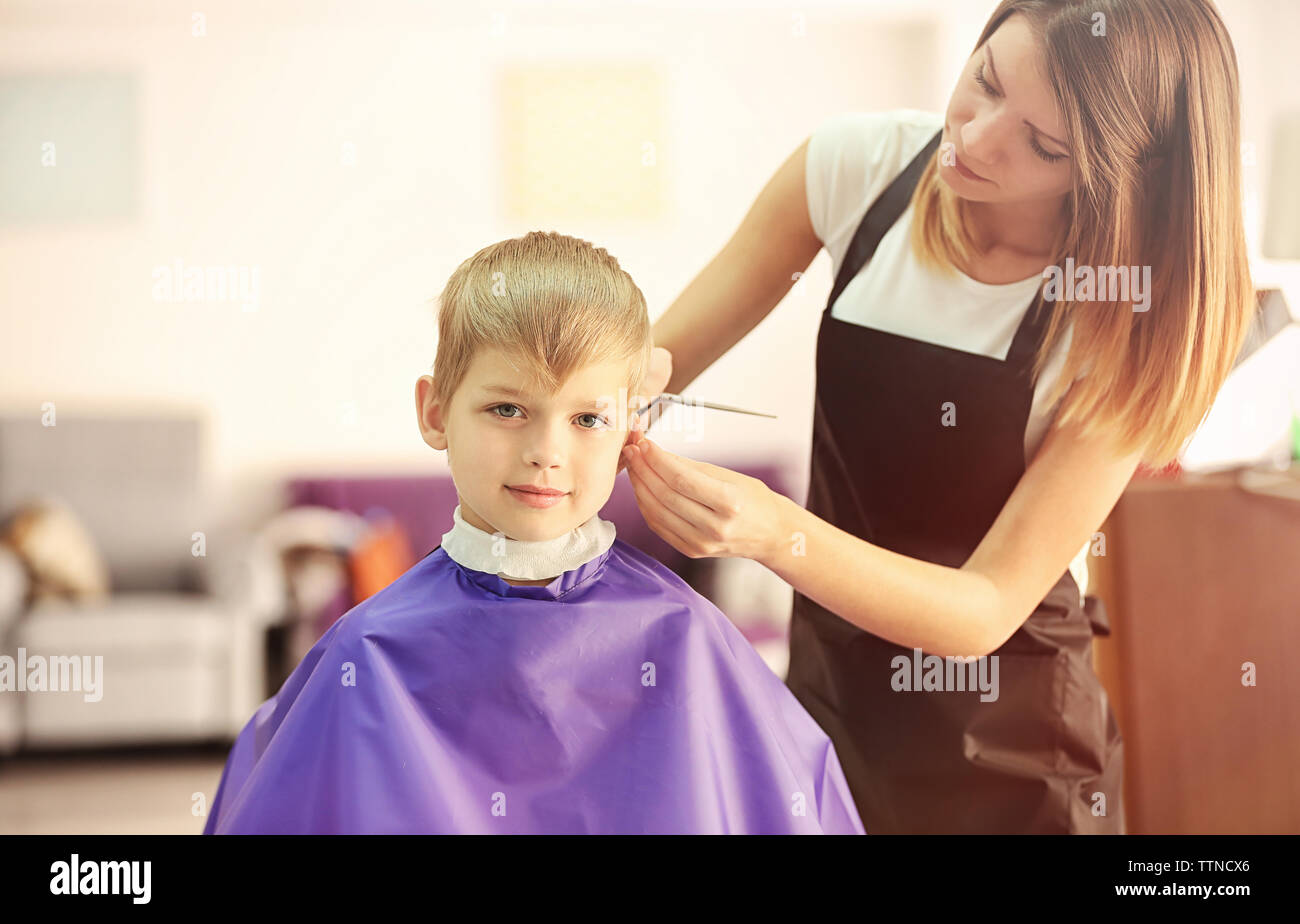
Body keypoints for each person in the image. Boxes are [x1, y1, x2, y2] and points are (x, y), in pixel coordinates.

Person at [621, 0, 1255, 834]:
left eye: (1044, 143)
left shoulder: (1121, 317)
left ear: (1118, 169)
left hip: (1015, 750)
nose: (978, 138)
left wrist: (776, 534)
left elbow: (985, 607)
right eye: (985, 80)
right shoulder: (858, 169)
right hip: (829, 707)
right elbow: (647, 371)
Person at [202, 231, 864, 835]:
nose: (546, 450)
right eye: (507, 409)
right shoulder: (366, 653)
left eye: (586, 419)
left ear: (633, 425)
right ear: (435, 412)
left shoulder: (686, 638)